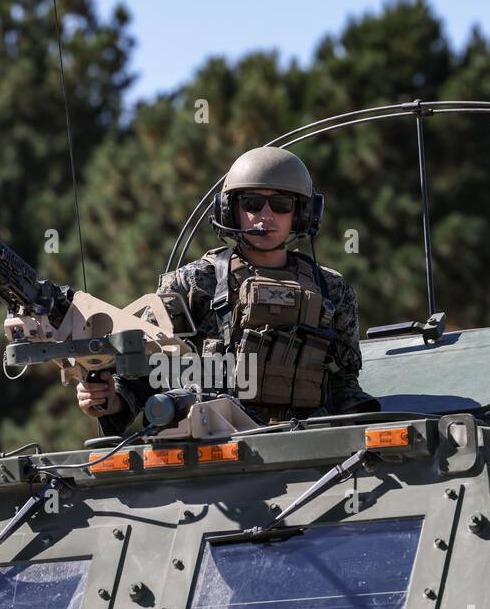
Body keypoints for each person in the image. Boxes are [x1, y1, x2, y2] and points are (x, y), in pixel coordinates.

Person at [77, 147, 377, 434]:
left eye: (282, 205)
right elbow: (142, 374)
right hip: (214, 450)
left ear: (301, 214)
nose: (266, 215)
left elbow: (343, 381)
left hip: (308, 443)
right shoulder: (193, 283)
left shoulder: (332, 290)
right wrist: (108, 398)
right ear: (230, 210)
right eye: (252, 204)